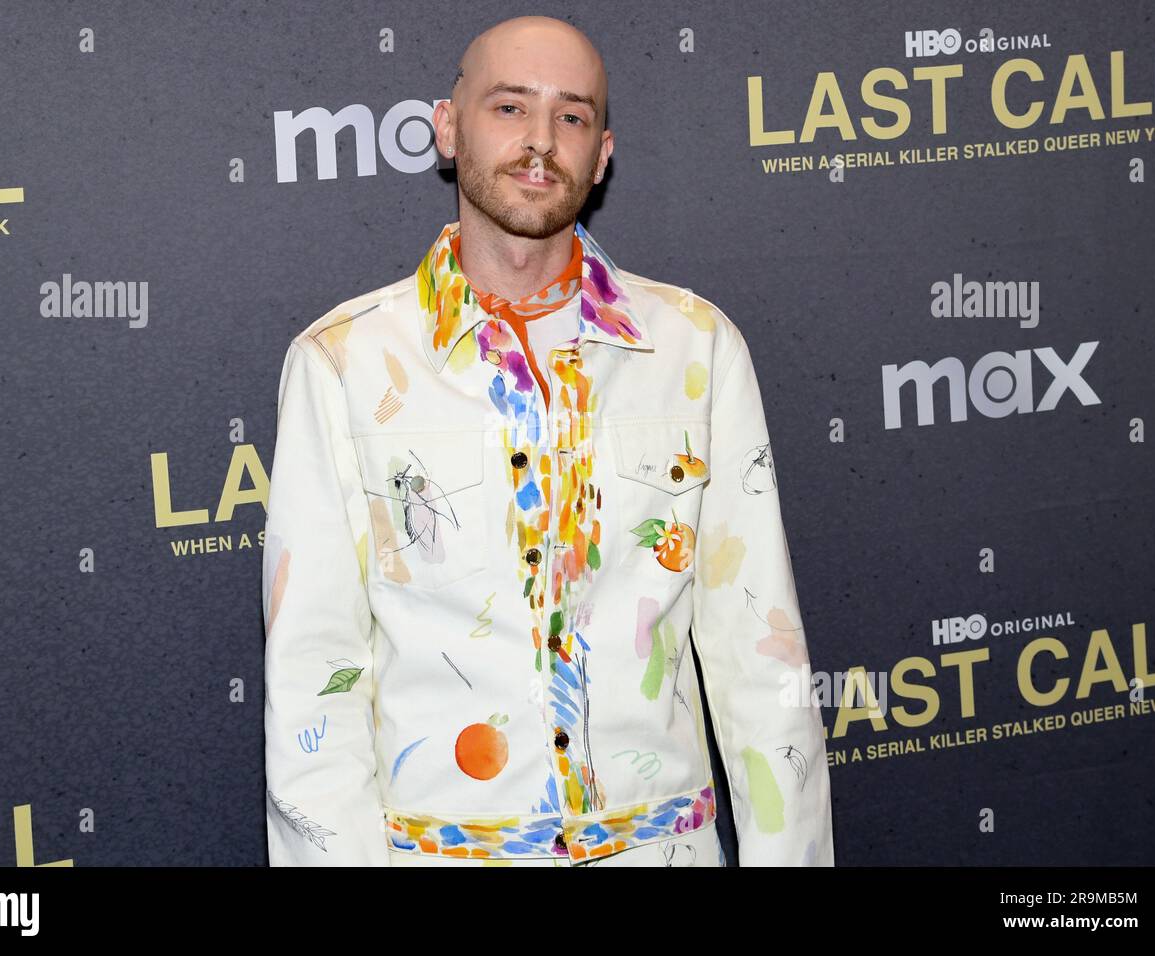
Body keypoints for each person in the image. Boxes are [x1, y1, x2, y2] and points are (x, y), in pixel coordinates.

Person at [262, 15, 834, 867]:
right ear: (447, 129)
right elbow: (317, 679)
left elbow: (763, 654)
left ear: (602, 153)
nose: (539, 141)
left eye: (570, 116)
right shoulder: (343, 363)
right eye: (508, 107)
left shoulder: (696, 348)